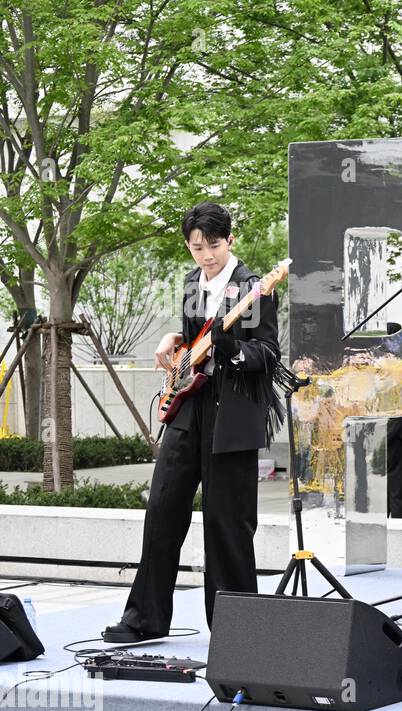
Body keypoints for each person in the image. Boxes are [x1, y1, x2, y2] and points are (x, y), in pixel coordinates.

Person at [104, 202, 282, 642]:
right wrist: (175, 339)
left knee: (227, 523)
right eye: (196, 247)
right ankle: (143, 619)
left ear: (230, 240)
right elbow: (191, 345)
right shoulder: (191, 283)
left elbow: (269, 354)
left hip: (233, 414)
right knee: (162, 510)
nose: (206, 256)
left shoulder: (254, 289)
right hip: (190, 407)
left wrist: (234, 350)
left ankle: (234, 631)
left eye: (214, 246)